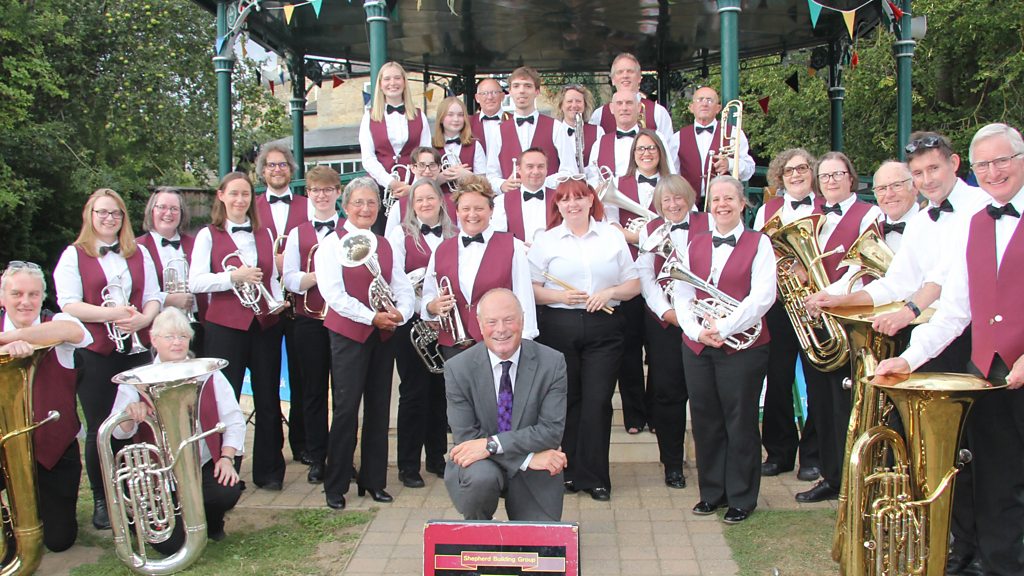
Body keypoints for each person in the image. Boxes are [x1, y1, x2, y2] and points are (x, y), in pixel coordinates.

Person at [876, 123, 1024, 576]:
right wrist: (908, 358)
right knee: (999, 483)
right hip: (989, 375)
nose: (994, 171)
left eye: (1003, 160)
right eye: (986, 164)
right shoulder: (976, 224)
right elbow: (955, 308)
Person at [54, 188, 161, 530]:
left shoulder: (139, 252)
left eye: (115, 213)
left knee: (139, 421)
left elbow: (154, 295)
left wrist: (144, 320)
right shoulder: (74, 255)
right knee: (103, 427)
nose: (109, 219)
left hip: (136, 349)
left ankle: (139, 494)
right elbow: (68, 303)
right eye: (102, 213)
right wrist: (110, 314)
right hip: (98, 352)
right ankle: (103, 499)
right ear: (90, 215)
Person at [529, 177, 640, 501]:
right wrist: (559, 295)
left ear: (591, 200)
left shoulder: (611, 236)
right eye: (565, 199)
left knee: (597, 401)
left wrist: (610, 292)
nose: (573, 204)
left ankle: (595, 477)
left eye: (579, 197)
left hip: (604, 329)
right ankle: (567, 470)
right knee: (567, 401)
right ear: (558, 205)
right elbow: (532, 290)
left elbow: (634, 284)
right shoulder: (545, 241)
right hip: (558, 327)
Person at [677, 176, 775, 523]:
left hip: (743, 346)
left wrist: (724, 327)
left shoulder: (759, 243)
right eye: (716, 199)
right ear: (708, 204)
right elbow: (683, 294)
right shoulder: (694, 244)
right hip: (699, 345)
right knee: (705, 420)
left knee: (740, 420)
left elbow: (763, 296)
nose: (722, 204)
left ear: (742, 203)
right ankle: (712, 493)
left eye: (729, 198)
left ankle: (742, 497)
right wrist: (698, 331)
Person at [315, 176, 415, 510]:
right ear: (345, 206)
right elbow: (333, 294)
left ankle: (374, 481)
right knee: (345, 410)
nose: (365, 208)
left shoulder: (384, 244)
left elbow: (399, 283)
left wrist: (401, 311)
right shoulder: (331, 243)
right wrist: (370, 316)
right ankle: (336, 483)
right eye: (358, 202)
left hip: (383, 334)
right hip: (348, 334)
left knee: (378, 408)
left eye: (371, 202)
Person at [109, 307, 243, 548]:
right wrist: (130, 415)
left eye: (182, 336)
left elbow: (234, 419)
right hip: (158, 471)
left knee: (225, 491)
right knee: (169, 546)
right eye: (169, 337)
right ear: (154, 340)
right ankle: (170, 520)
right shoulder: (136, 380)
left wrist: (226, 458)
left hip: (200, 462)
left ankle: (211, 520)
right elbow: (119, 432)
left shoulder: (208, 373)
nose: (177, 342)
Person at [188, 172, 288, 491]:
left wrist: (277, 300)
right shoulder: (208, 235)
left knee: (268, 398)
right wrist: (233, 277)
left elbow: (269, 276)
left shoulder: (264, 231)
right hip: (224, 327)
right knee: (225, 399)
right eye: (234, 194)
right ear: (221, 196)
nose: (240, 200)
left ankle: (270, 472)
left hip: (263, 324)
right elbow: (196, 282)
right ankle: (226, 470)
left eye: (245, 194)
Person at [796, 152, 882, 504]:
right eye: (825, 175)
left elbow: (864, 268)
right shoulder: (810, 214)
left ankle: (855, 478)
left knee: (848, 404)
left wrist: (825, 295)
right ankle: (831, 476)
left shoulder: (870, 214)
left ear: (852, 178)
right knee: (821, 403)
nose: (830, 181)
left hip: (850, 320)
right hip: (816, 323)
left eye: (837, 174)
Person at [444, 288, 568, 521]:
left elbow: (551, 432)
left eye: (509, 320)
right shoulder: (457, 368)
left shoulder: (552, 363)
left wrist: (491, 445)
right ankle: (477, 532)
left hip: (536, 467)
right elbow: (467, 438)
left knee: (537, 549)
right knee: (480, 478)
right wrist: (527, 459)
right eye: (492, 322)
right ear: (480, 325)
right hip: (487, 463)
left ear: (522, 320)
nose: (501, 329)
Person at [0, 261, 91, 551]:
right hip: (4, 448)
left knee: (59, 541)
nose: (25, 302)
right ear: (2, 298)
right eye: (16, 294)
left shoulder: (59, 324)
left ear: (42, 297)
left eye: (34, 294)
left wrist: (14, 337)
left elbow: (77, 334)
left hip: (54, 450)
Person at [635, 175, 709, 488]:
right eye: (666, 201)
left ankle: (710, 462)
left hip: (706, 322)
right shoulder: (650, 230)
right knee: (668, 395)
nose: (673, 205)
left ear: (689, 198)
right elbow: (645, 276)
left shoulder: (707, 223)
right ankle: (673, 465)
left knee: (706, 394)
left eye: (678, 198)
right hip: (667, 324)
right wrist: (667, 312)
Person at [753, 149, 821, 482]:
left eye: (803, 169)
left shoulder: (826, 208)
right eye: (789, 170)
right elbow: (757, 253)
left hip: (816, 304)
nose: (796, 175)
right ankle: (779, 453)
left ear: (813, 172)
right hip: (780, 305)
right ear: (780, 176)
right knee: (777, 380)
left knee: (817, 380)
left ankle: (814, 455)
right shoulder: (767, 210)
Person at [385, 178, 458, 487]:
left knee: (441, 392)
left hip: (448, 324)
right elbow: (395, 283)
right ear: (412, 206)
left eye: (431, 198)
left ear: (441, 201)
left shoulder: (456, 235)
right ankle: (408, 464)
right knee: (413, 393)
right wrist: (424, 306)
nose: (426, 203)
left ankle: (437, 457)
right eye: (419, 200)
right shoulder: (399, 237)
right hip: (412, 323)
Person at [422, 175, 538, 359]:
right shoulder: (441, 249)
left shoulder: (513, 245)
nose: (472, 215)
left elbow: (524, 296)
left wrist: (525, 341)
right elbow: (428, 295)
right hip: (454, 345)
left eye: (479, 208)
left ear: (491, 210)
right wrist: (431, 307)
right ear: (457, 212)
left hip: (501, 341)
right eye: (466, 209)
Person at [605, 129, 673, 437]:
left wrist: (639, 234)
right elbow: (609, 225)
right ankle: (634, 413)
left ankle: (659, 412)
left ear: (660, 152)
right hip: (629, 272)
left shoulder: (672, 185)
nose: (646, 153)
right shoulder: (618, 185)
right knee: (629, 348)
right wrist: (638, 236)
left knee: (659, 350)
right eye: (640, 149)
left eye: (652, 148)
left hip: (663, 273)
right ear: (633, 154)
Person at [281, 166, 343, 485]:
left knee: (344, 395)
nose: (321, 195)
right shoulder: (298, 233)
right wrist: (319, 276)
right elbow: (289, 276)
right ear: (309, 194)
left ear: (338, 192)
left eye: (327, 189)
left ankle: (342, 458)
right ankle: (318, 458)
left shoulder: (350, 229)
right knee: (314, 392)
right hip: (309, 321)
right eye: (315, 190)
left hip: (343, 321)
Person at [253, 144, 314, 465]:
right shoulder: (250, 206)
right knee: (266, 381)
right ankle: (270, 448)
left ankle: (302, 443)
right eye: (271, 166)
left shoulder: (307, 205)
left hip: (298, 304)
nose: (277, 170)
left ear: (291, 170)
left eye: (282, 165)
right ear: (262, 171)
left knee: (302, 377)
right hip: (262, 306)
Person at [359, 61, 432, 232]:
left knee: (414, 234)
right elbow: (368, 158)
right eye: (387, 79)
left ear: (404, 82)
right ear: (380, 85)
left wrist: (413, 186)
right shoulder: (368, 117)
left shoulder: (419, 116)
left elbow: (426, 155)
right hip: (379, 190)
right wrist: (390, 182)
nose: (393, 83)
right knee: (381, 237)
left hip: (413, 188)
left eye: (397, 78)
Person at [486, 67, 574, 194]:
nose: (521, 91)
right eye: (516, 86)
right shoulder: (498, 131)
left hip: (550, 203)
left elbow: (570, 171)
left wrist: (543, 182)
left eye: (527, 86)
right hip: (511, 204)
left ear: (537, 91)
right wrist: (503, 185)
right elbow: (491, 175)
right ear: (510, 91)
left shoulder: (556, 127)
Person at [136, 187, 202, 347]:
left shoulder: (197, 244)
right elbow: (135, 290)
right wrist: (167, 299)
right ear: (151, 211)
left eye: (174, 209)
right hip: (156, 329)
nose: (168, 213)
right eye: (162, 207)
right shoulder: (136, 247)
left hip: (194, 325)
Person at [670, 86, 755, 208]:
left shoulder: (734, 133)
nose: (704, 104)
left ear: (718, 108)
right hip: (689, 205)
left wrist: (730, 164)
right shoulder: (677, 138)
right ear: (691, 107)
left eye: (710, 100)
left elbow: (749, 169)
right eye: (700, 100)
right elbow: (673, 174)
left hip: (724, 204)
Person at [587, 53, 674, 146]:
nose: (625, 75)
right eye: (620, 72)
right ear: (612, 79)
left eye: (630, 71)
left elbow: (669, 152)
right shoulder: (598, 115)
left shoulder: (658, 112)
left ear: (639, 77)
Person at [384, 146, 458, 236]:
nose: (427, 171)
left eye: (432, 165)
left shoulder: (454, 203)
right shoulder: (398, 207)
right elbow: (389, 244)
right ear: (412, 168)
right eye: (421, 165)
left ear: (439, 168)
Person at [491, 148, 557, 244]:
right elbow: (499, 237)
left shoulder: (560, 198)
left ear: (547, 169)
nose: (535, 172)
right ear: (519, 169)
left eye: (541, 166)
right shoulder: (501, 201)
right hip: (518, 257)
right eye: (530, 167)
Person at [433, 96, 487, 193]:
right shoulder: (430, 146)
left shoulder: (475, 145)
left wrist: (467, 175)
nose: (456, 119)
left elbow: (484, 181)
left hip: (469, 201)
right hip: (440, 202)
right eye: (450, 115)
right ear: (441, 118)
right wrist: (441, 178)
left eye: (460, 115)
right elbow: (423, 183)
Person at [587, 89, 643, 180]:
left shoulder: (655, 138)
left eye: (629, 103)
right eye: (619, 103)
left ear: (639, 107)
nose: (624, 108)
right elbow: (593, 179)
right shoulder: (600, 143)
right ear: (612, 108)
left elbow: (667, 174)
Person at [553, 84, 603, 174]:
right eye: (569, 101)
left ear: (585, 105)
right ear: (561, 105)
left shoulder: (598, 132)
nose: (574, 105)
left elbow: (599, 164)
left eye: (578, 101)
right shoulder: (554, 131)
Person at [871, 161, 920, 252]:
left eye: (897, 185)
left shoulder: (934, 224)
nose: (889, 194)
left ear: (914, 187)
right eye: (882, 188)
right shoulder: (870, 231)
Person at [469, 78, 508, 152]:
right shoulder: (468, 123)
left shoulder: (513, 120)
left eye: (494, 92)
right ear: (477, 98)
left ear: (502, 96)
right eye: (484, 93)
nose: (490, 97)